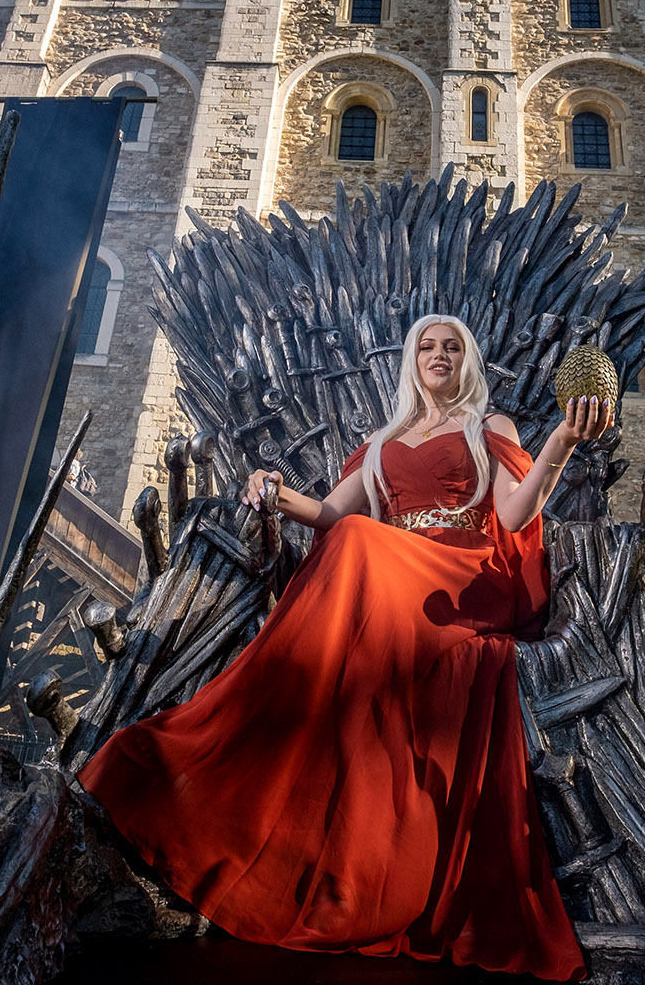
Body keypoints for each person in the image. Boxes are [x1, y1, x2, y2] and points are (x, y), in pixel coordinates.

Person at [78, 314, 610, 981]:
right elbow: (332, 513)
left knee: (359, 544)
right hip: (391, 572)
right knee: (351, 539)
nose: (438, 354)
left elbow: (511, 517)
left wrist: (561, 438)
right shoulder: (382, 441)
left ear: (467, 361)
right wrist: (273, 490)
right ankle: (258, 715)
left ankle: (272, 681)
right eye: (427, 346)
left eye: (451, 346)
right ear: (412, 361)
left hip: (462, 579)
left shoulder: (489, 428)